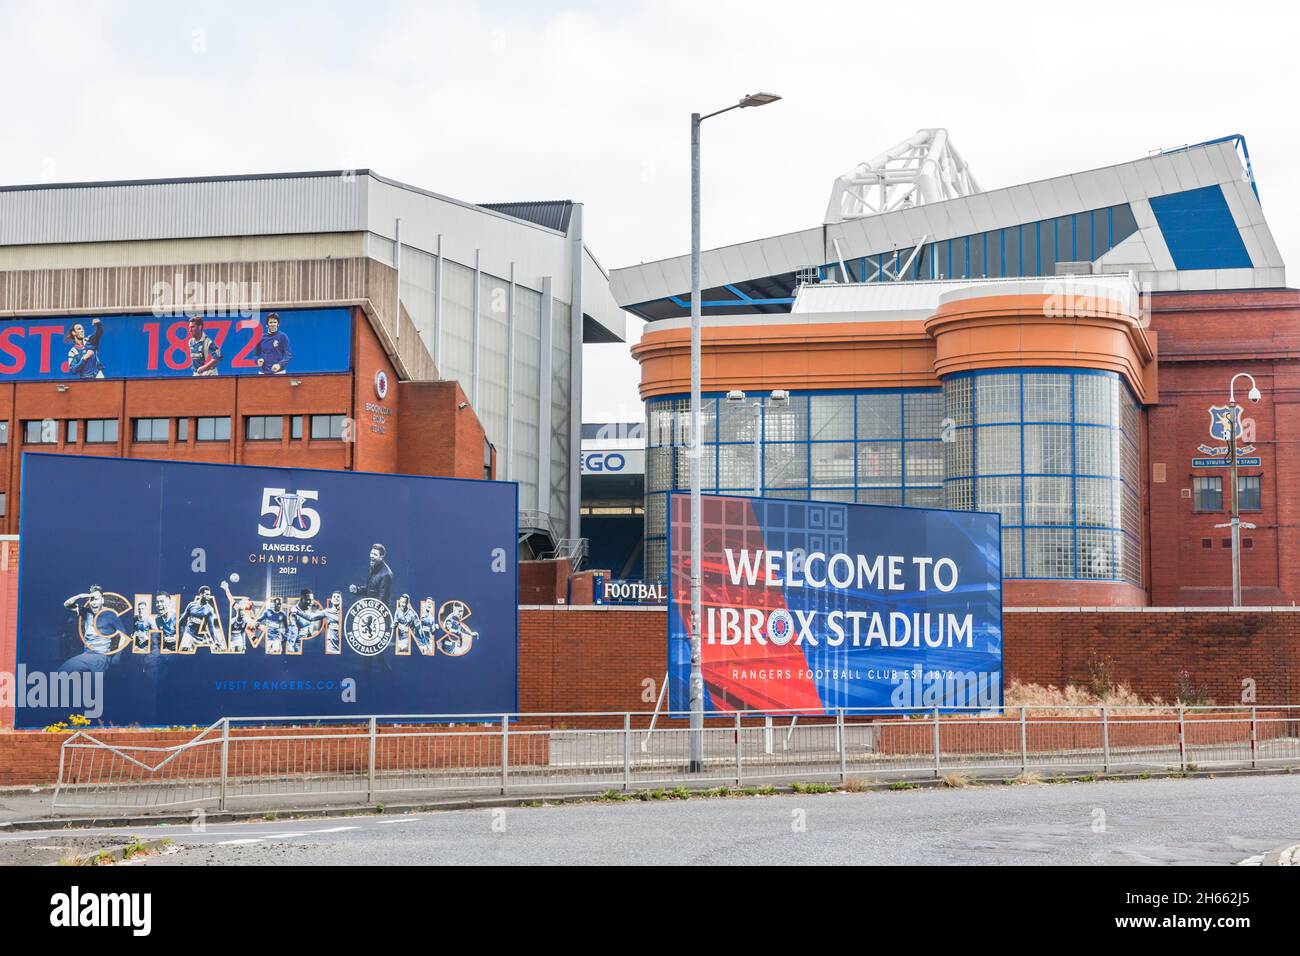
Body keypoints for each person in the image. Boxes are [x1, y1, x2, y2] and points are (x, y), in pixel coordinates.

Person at [59, 586, 125, 672]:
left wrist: (117, 656)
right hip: (86, 655)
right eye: (91, 599)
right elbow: (67, 605)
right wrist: (80, 596)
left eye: (96, 599)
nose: (93, 602)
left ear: (102, 600)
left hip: (102, 657)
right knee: (61, 671)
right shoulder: (86, 612)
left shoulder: (111, 615)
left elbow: (123, 636)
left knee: (97, 683)